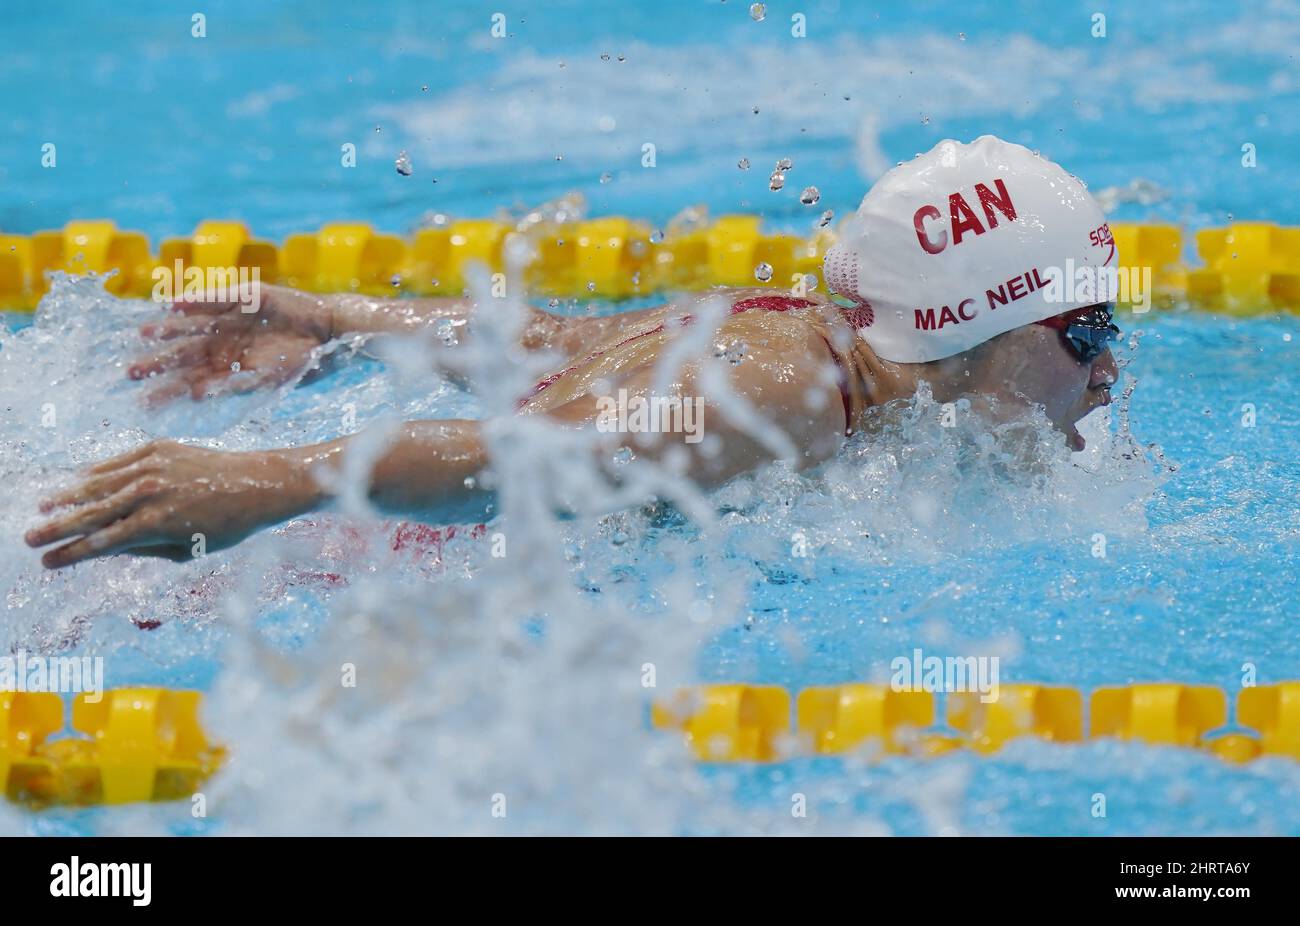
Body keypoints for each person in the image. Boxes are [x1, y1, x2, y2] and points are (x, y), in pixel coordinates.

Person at [26, 136, 1120, 570]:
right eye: (1085, 334)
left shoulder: (797, 330)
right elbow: (523, 458)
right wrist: (266, 481)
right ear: (970, 329)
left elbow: (549, 344)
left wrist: (330, 320)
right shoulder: (785, 392)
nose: (1108, 370)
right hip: (341, 560)